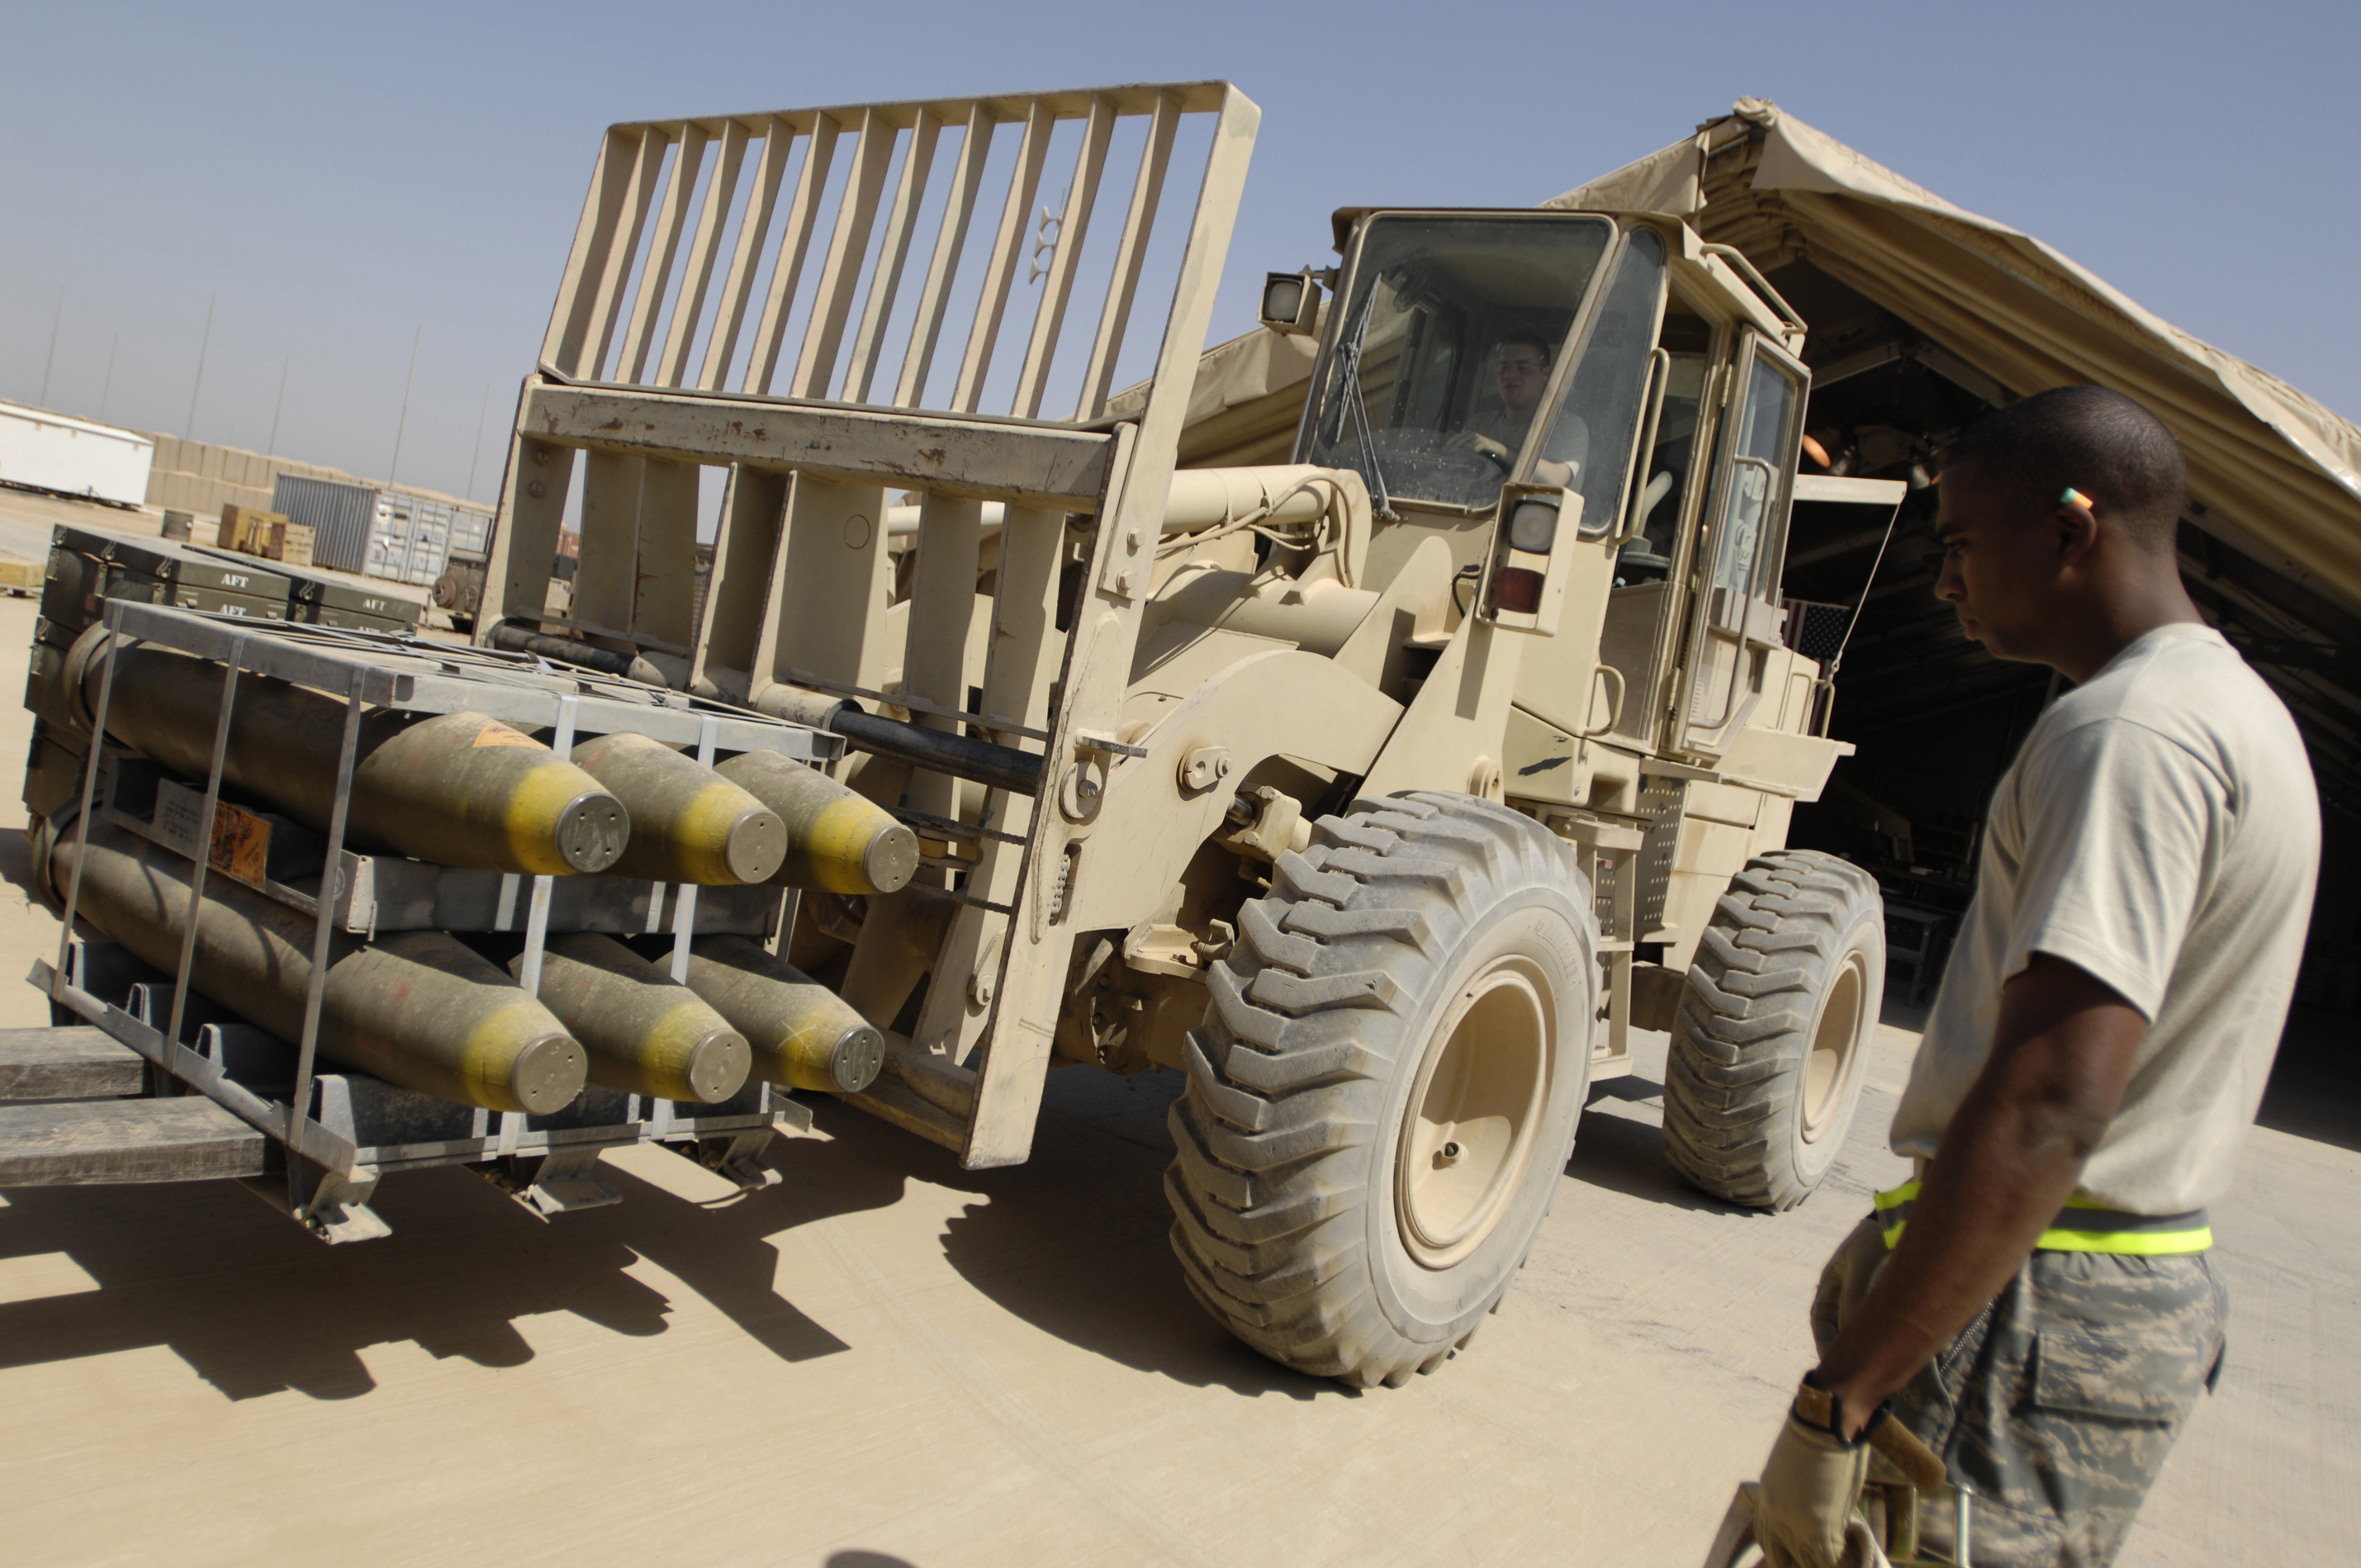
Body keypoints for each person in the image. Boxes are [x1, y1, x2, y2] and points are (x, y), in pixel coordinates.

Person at [1749, 386, 2320, 1568]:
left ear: (2071, 527)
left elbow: (2052, 1101)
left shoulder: (2129, 736)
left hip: (2026, 1307)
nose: (1945, 584)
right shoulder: (2234, 713)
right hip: (2088, 1291)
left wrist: (1843, 1398)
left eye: (1961, 544)